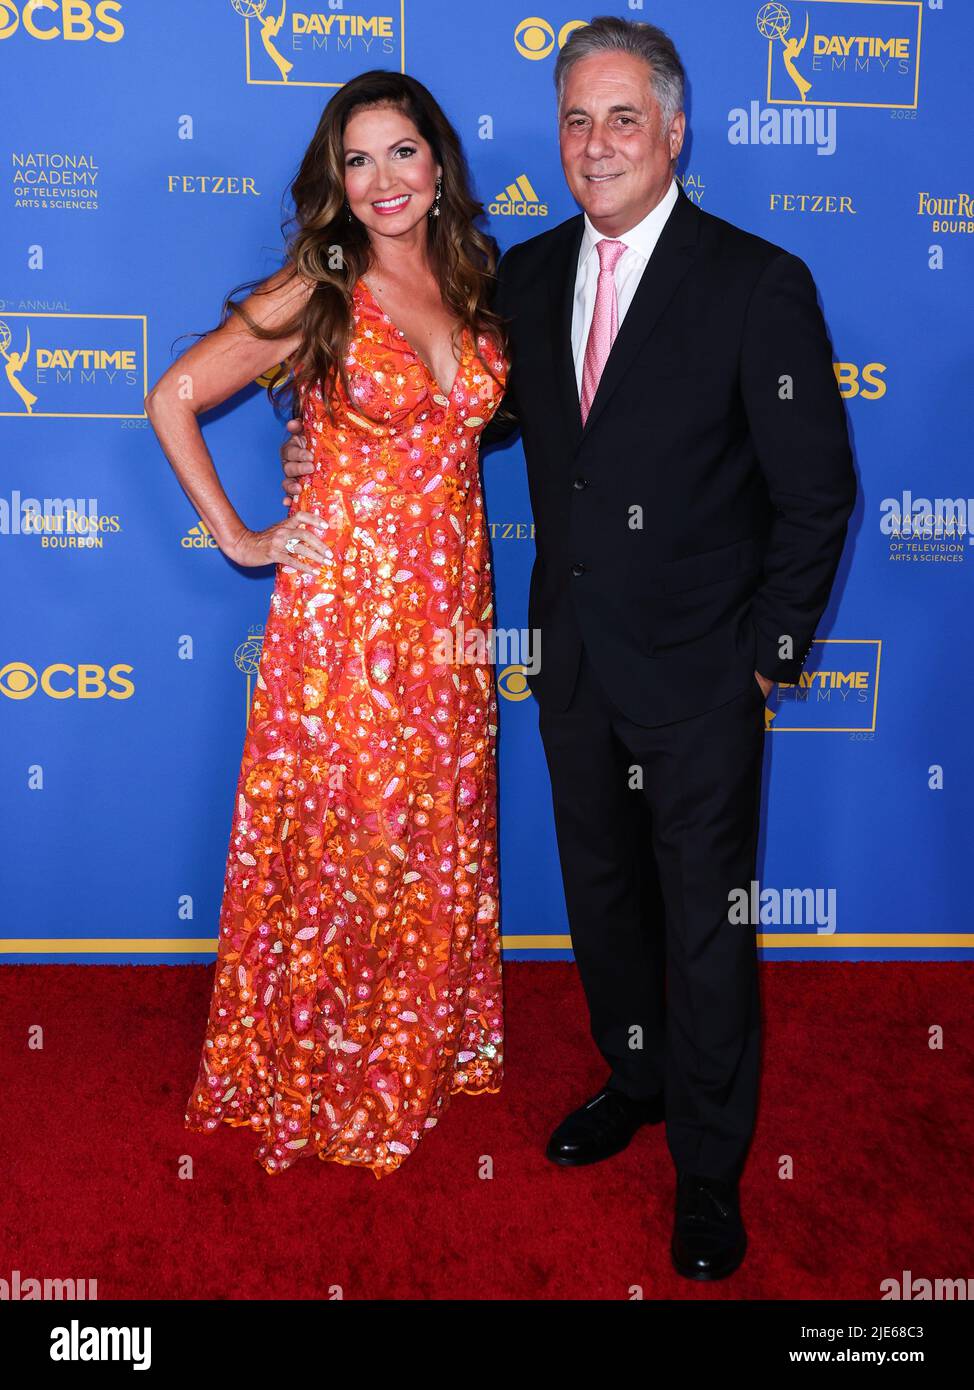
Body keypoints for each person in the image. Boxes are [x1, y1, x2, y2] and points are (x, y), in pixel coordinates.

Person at [282, 17, 856, 1275]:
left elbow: (816, 492)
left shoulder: (755, 281)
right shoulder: (524, 278)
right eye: (577, 122)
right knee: (602, 899)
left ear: (673, 130)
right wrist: (327, 450)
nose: (596, 145)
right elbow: (442, 423)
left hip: (703, 670)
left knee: (702, 922)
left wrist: (763, 656)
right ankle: (634, 1081)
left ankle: (705, 1169)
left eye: (621, 120)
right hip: (572, 663)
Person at [146, 70, 509, 1178]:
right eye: (357, 160)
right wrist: (241, 535)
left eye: (401, 152)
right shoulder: (323, 281)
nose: (382, 179)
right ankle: (322, 1069)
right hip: (345, 622)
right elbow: (174, 395)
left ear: (437, 166)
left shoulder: (471, 280)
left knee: (432, 842)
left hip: (452, 615)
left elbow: (452, 436)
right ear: (336, 182)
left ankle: (417, 1053)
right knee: (356, 840)